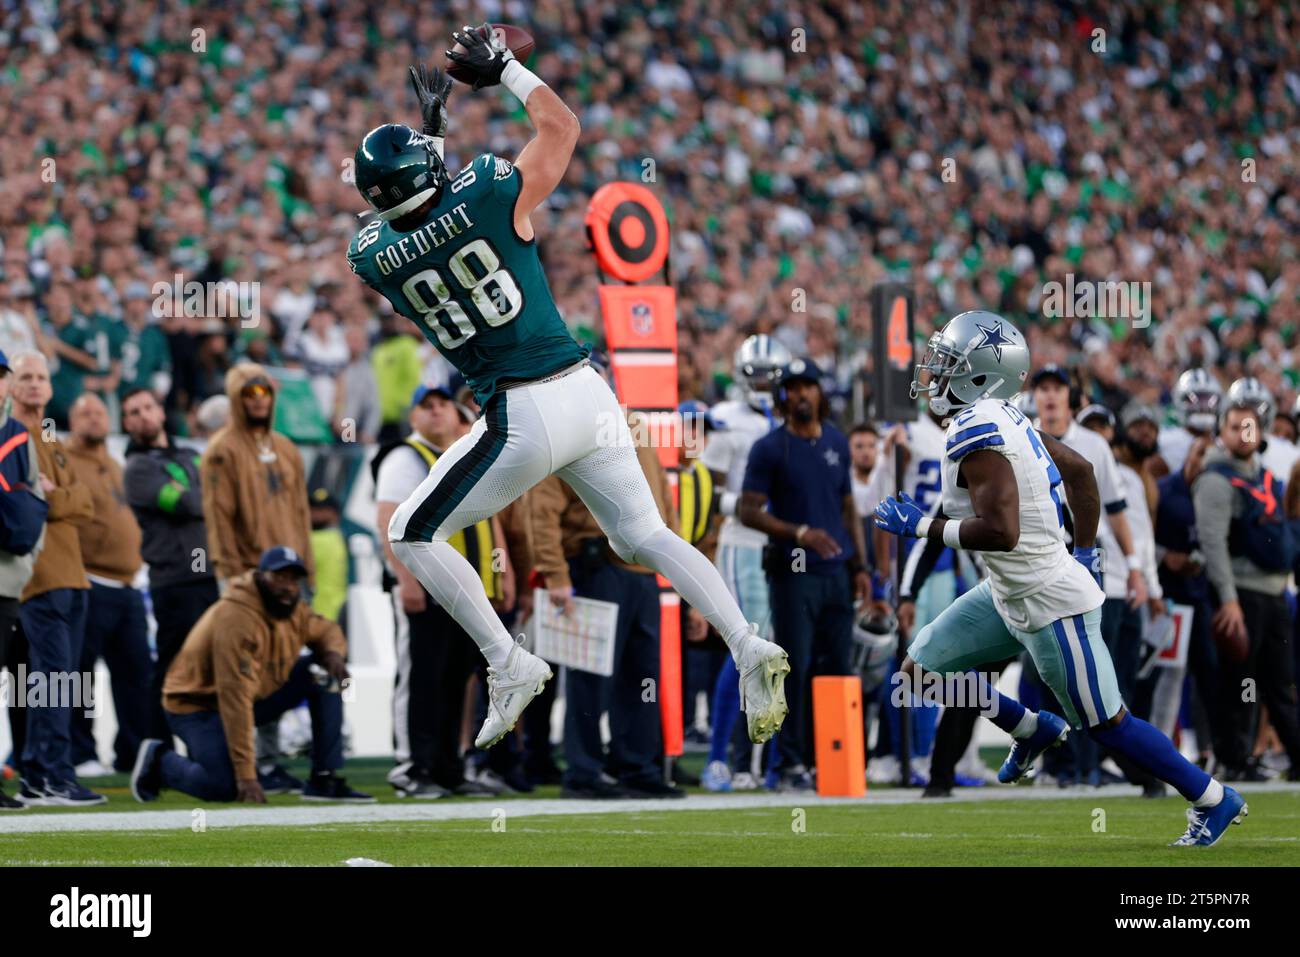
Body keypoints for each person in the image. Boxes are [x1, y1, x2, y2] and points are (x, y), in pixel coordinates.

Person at [347, 33, 789, 753]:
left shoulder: (371, 255)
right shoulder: (489, 190)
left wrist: (426, 139)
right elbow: (561, 128)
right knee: (645, 535)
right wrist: (506, 71)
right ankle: (744, 642)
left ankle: (509, 662)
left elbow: (412, 215)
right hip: (588, 393)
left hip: (521, 413)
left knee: (409, 532)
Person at [874, 310, 1245, 847]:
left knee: (1107, 722)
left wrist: (924, 527)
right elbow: (1079, 471)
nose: (935, 371)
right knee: (917, 671)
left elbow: (1002, 532)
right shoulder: (1003, 415)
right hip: (1008, 593)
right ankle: (1030, 727)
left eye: (948, 362)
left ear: (980, 374)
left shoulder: (980, 426)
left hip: (1049, 600)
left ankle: (1213, 797)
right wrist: (1089, 552)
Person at [131, 547, 371, 804]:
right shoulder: (237, 618)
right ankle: (160, 761)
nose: (287, 586)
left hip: (254, 697)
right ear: (261, 576)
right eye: (279, 577)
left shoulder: (292, 607)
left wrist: (333, 653)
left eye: (293, 579)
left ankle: (324, 777)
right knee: (222, 787)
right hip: (197, 706)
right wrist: (246, 778)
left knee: (322, 670)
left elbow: (325, 629)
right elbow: (235, 698)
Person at [530, 406, 684, 800]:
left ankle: (634, 765)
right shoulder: (567, 426)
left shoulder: (633, 423)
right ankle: (583, 772)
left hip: (643, 570)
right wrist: (557, 575)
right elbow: (543, 510)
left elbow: (662, 495)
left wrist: (679, 561)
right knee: (589, 676)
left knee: (641, 676)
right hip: (594, 566)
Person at [739, 357, 871, 789]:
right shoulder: (770, 447)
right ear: (783, 396)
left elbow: (848, 507)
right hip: (793, 574)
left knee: (836, 668)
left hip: (836, 572)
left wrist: (860, 566)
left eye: (808, 386)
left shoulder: (836, 441)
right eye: (793, 387)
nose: (800, 394)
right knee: (791, 668)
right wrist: (798, 532)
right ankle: (789, 762)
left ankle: (831, 756)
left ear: (820, 393)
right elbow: (747, 509)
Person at [372, 384, 501, 798]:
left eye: (443, 404)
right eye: (425, 407)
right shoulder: (405, 457)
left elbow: (487, 520)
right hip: (426, 588)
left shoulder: (465, 455)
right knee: (421, 677)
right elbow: (387, 519)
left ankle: (448, 766)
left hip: (462, 593)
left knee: (454, 679)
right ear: (412, 417)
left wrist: (502, 573)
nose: (436, 413)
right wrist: (405, 579)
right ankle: (412, 766)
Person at [200, 362, 314, 793]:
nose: (258, 400)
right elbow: (218, 517)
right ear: (236, 399)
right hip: (246, 577)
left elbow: (302, 512)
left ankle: (270, 760)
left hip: (290, 578)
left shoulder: (286, 447)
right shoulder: (221, 449)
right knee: (244, 671)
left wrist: (309, 570)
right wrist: (230, 575)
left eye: (264, 392)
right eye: (249, 393)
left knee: (281, 668)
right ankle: (243, 762)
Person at [7, 352, 101, 806]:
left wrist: (57, 496)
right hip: (41, 577)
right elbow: (30, 505)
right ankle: (49, 775)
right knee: (51, 681)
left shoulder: (50, 435)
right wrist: (61, 498)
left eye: (41, 377)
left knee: (53, 680)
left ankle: (38, 772)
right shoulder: (12, 437)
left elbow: (84, 503)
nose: (35, 385)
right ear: (11, 385)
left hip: (72, 575)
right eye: (25, 377)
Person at [698, 333, 789, 792]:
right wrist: (752, 509)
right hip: (743, 542)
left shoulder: (791, 421)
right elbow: (708, 492)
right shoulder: (726, 419)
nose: (763, 384)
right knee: (743, 652)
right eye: (756, 374)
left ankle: (761, 763)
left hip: (782, 550)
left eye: (770, 376)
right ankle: (718, 759)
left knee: (774, 655)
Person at [1192, 401, 1300, 781]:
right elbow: (1213, 545)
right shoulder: (1215, 481)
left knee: (1280, 681)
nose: (1244, 434)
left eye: (1250, 426)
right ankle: (1236, 756)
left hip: (1274, 594)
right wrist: (1229, 599)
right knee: (1243, 683)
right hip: (1242, 595)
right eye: (1236, 426)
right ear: (1222, 431)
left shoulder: (1267, 480)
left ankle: (1290, 753)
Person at [122, 385, 220, 742]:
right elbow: (192, 505)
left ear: (161, 412)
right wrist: (211, 494)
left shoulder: (190, 454)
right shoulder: (137, 469)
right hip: (176, 581)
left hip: (211, 574)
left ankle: (209, 750)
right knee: (173, 667)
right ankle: (155, 749)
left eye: (148, 407)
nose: (143, 415)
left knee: (212, 666)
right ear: (127, 424)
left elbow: (218, 495)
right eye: (134, 412)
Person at [65, 393, 151, 775]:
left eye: (100, 413)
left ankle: (132, 754)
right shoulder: (63, 459)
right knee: (80, 674)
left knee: (136, 675)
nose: (94, 419)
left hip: (129, 585)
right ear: (72, 420)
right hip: (88, 580)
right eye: (85, 413)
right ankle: (81, 752)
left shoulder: (116, 464)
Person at [0, 349, 45, 810]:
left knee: (16, 678)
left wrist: (28, 562)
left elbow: (34, 504)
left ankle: (24, 772)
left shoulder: (19, 436)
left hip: (7, 582)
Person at [1154, 369, 1222, 479]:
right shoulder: (1164, 439)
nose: (1203, 406)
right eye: (1194, 399)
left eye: (1208, 399)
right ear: (1178, 400)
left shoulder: (1222, 443)